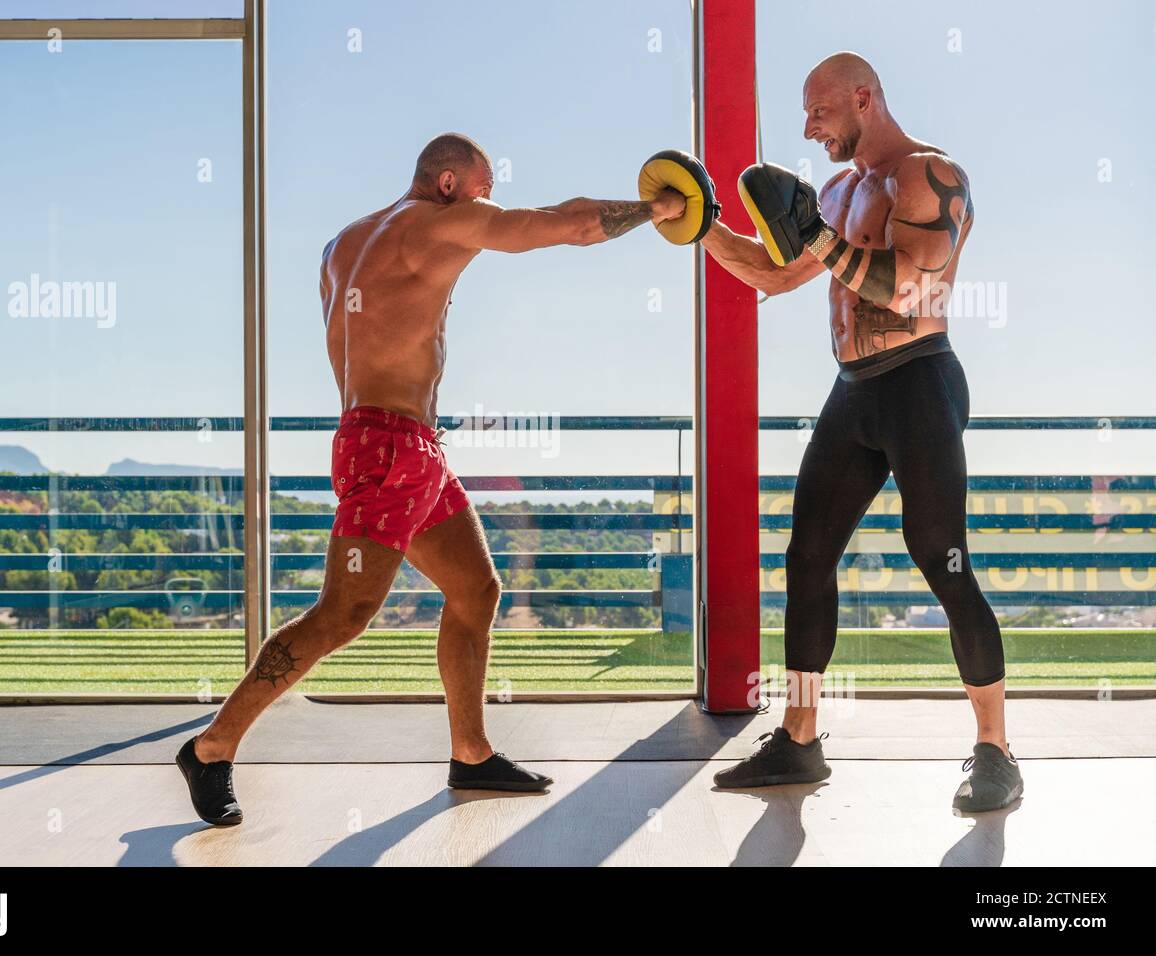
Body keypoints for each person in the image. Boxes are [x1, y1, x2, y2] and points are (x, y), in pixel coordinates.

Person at [176, 132, 687, 826]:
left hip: (401, 446)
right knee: (343, 614)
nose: (490, 203)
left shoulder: (342, 243)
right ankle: (212, 747)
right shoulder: (442, 223)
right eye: (485, 187)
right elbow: (566, 224)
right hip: (388, 448)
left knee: (477, 588)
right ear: (448, 184)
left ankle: (470, 753)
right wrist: (659, 208)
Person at [702, 53, 1022, 812]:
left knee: (942, 561)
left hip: (919, 381)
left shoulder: (930, 176)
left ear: (862, 98)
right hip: (852, 391)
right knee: (807, 555)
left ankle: (996, 750)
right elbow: (777, 276)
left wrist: (815, 233)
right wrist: (697, 225)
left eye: (818, 113)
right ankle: (801, 740)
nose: (808, 129)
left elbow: (912, 287)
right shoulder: (841, 193)